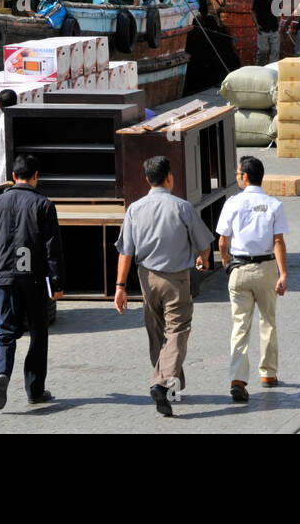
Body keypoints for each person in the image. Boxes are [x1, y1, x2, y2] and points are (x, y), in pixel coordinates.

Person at [113, 156, 214, 417]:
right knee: (178, 330)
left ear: (147, 179)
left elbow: (125, 251)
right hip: (177, 280)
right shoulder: (182, 207)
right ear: (170, 177)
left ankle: (171, 388)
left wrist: (120, 286)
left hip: (147, 279)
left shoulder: (135, 209)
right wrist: (203, 259)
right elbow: (204, 244)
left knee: (158, 333)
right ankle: (161, 382)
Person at [0, 154, 65, 409]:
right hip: (35, 281)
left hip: (6, 277)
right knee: (38, 334)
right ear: (36, 177)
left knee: (6, 331)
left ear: (13, 177)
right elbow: (53, 248)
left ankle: (2, 373)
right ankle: (35, 391)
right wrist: (57, 283)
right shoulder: (44, 205)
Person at [216, 156, 289, 402]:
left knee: (240, 325)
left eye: (238, 174)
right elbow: (278, 241)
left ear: (245, 177)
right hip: (266, 268)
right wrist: (283, 273)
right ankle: (268, 374)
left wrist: (226, 260)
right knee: (268, 321)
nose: (237, 177)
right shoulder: (274, 204)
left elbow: (223, 240)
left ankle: (237, 379)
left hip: (239, 270)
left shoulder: (233, 203)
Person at [252, 0, 280, 64]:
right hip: (263, 29)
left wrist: (278, 24)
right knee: (262, 51)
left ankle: (272, 70)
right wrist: (256, 25)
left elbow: (278, 13)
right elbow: (253, 12)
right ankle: (260, 68)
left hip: (274, 29)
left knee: (275, 52)